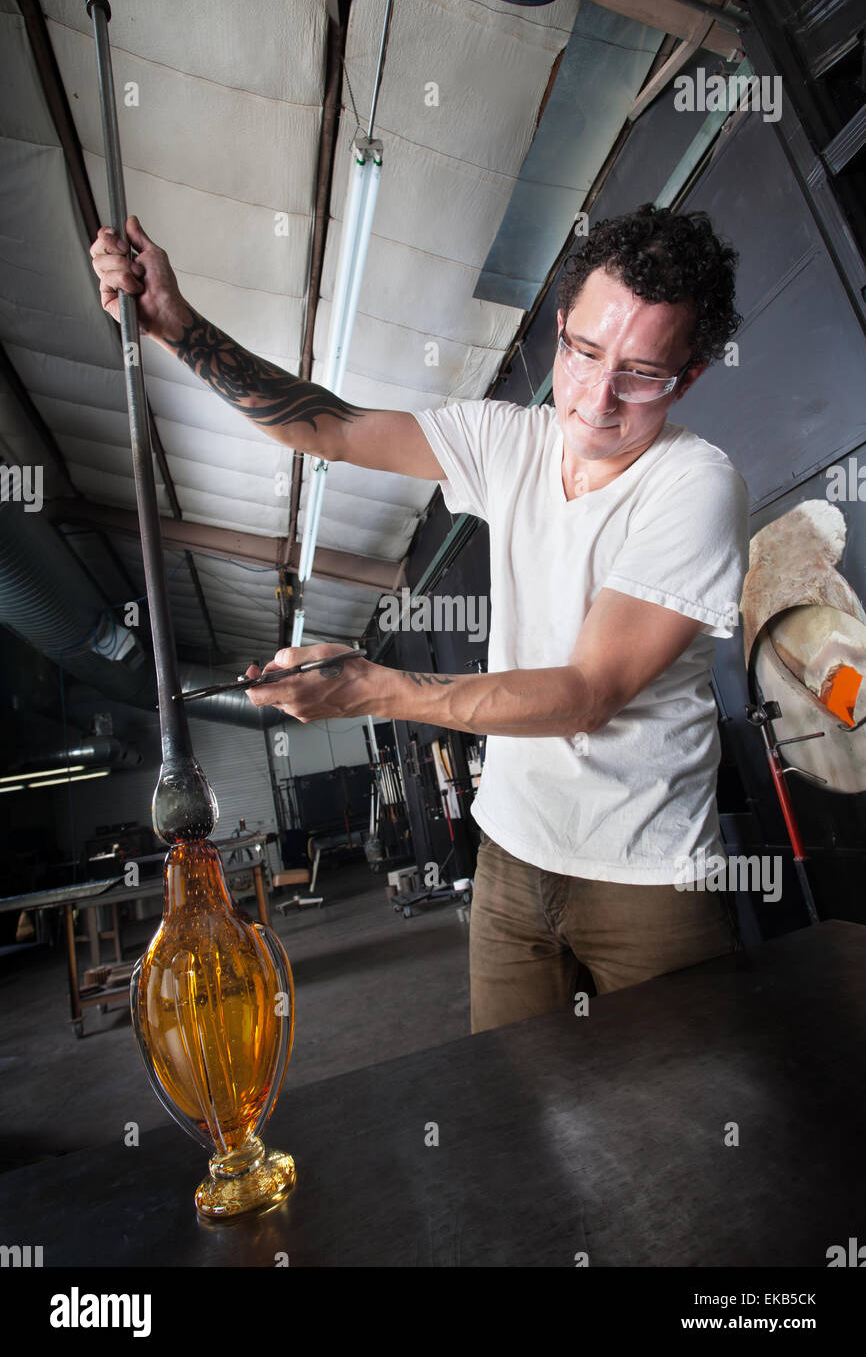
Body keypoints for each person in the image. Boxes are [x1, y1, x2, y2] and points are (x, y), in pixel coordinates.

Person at [90, 203, 749, 1032]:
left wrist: (377, 691)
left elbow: (590, 692)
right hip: (511, 860)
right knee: (515, 1110)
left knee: (687, 1130)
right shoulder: (509, 440)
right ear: (558, 329)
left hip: (650, 877)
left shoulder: (694, 486)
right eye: (583, 353)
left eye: (642, 373)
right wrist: (176, 326)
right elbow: (330, 429)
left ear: (687, 378)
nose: (597, 397)